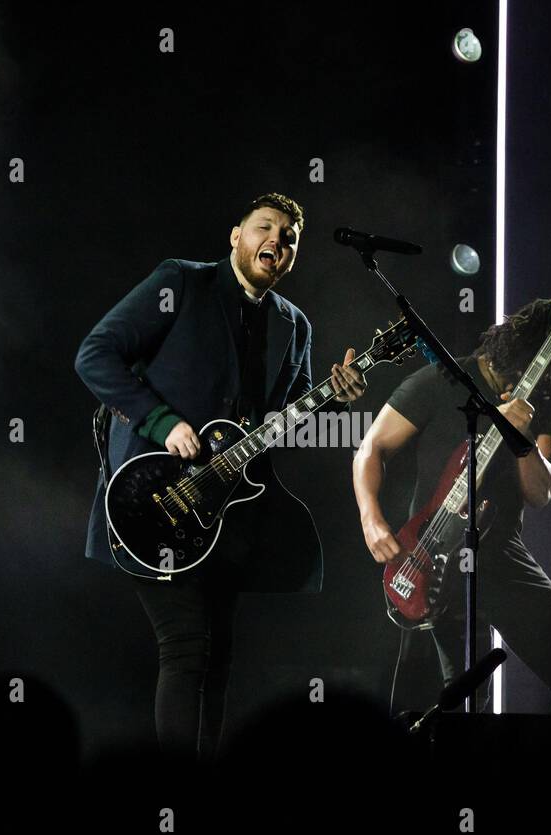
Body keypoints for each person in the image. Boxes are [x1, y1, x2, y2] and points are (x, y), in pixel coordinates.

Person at [75, 192, 366, 761]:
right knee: (185, 648)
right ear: (236, 235)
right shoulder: (180, 284)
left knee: (219, 656)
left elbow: (281, 422)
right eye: (266, 228)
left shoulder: (294, 327)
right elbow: (95, 355)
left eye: (289, 238)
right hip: (152, 500)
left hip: (225, 513)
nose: (276, 242)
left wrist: (333, 399)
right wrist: (162, 422)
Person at [352, 298, 551, 710]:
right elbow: (372, 448)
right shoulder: (443, 380)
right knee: (455, 705)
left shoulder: (540, 403)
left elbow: (542, 490)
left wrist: (523, 443)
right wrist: (371, 518)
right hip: (432, 561)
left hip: (500, 559)